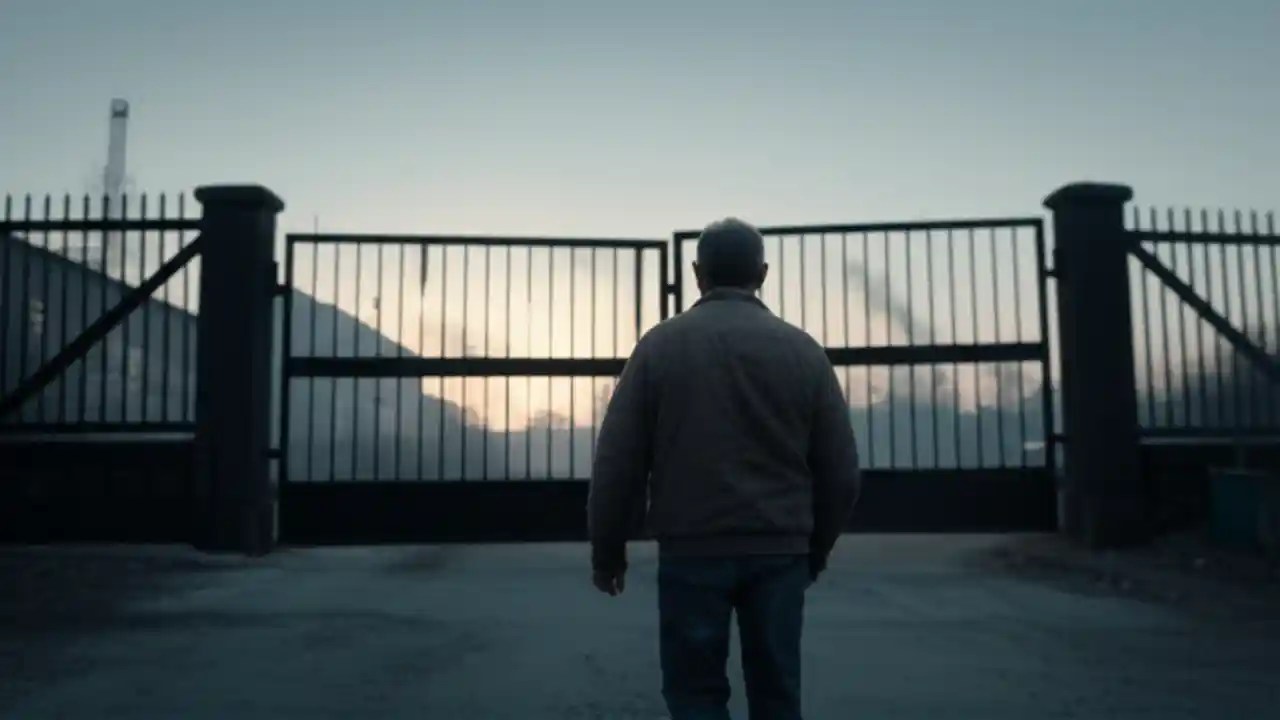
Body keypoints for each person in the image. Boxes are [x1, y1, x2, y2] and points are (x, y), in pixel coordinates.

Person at [587, 217, 861, 720]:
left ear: (697, 273)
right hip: (779, 551)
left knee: (695, 695)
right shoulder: (803, 351)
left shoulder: (661, 346)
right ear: (763, 272)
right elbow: (841, 470)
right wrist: (813, 549)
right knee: (777, 693)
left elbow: (617, 461)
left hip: (692, 549)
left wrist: (608, 552)